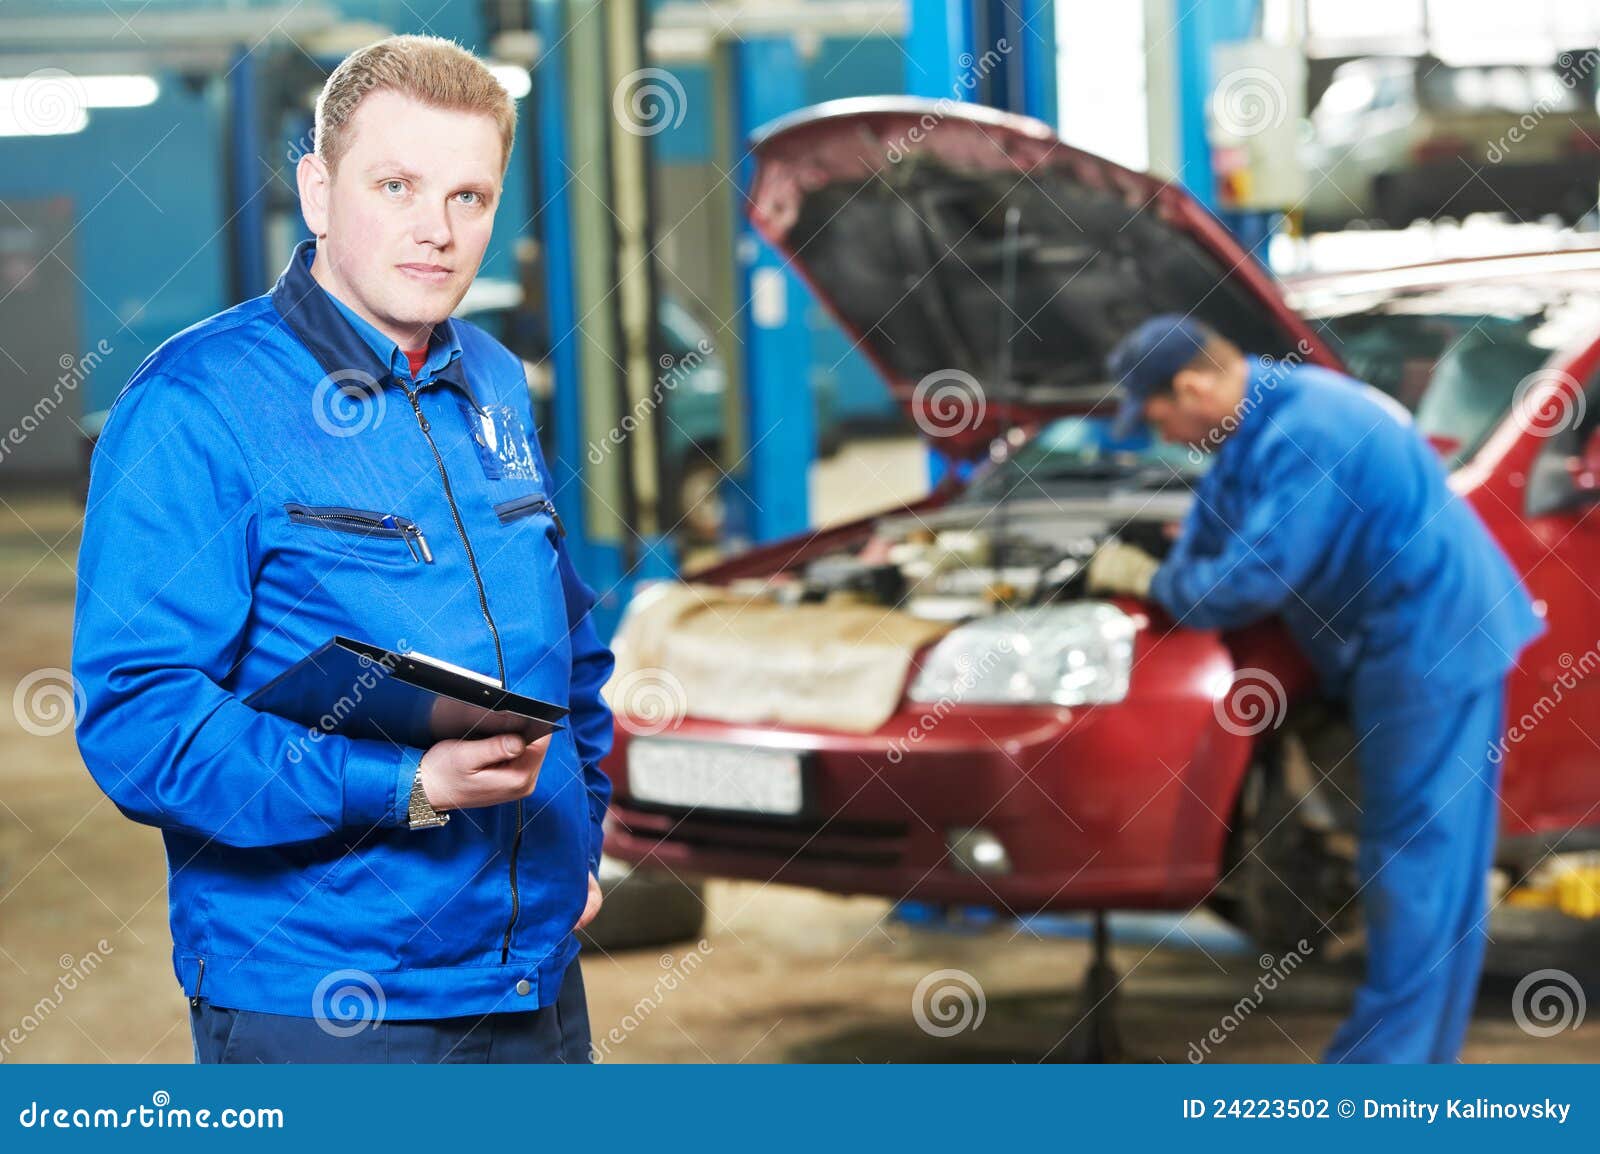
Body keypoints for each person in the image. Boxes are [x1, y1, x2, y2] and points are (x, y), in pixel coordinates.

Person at [72, 35, 613, 1063]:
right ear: (318, 191)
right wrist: (404, 786)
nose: (437, 230)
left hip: (531, 977)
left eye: (469, 196)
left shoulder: (493, 380)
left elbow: (569, 641)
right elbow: (141, 721)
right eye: (396, 184)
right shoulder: (198, 405)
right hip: (324, 997)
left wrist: (579, 834)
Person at [1088, 314, 1544, 1063]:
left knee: (1416, 855)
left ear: (1195, 386)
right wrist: (1169, 558)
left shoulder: (1311, 428)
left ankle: (1380, 1076)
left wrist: (1159, 581)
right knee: (1427, 855)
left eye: (1160, 413)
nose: (1159, 431)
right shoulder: (1256, 423)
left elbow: (1248, 580)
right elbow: (1216, 522)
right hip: (1394, 642)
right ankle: (1418, 1064)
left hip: (1431, 641)